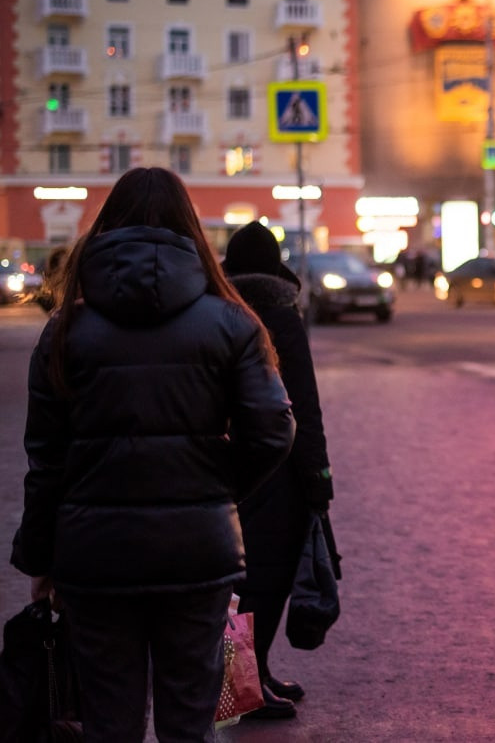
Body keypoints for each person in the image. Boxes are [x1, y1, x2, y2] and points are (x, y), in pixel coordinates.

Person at [10, 167, 296, 743]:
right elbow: (272, 430)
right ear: (190, 230)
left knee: (109, 722)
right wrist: (213, 492)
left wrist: (40, 558)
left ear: (104, 231)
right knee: (190, 722)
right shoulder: (232, 322)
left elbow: (45, 460)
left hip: (94, 554)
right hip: (195, 553)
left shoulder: (65, 332)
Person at [221, 220, 334, 721]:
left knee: (243, 583)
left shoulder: (220, 312)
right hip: (281, 468)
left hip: (229, 466)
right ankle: (246, 687)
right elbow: (303, 407)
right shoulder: (280, 316)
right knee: (271, 580)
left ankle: (252, 677)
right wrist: (319, 479)